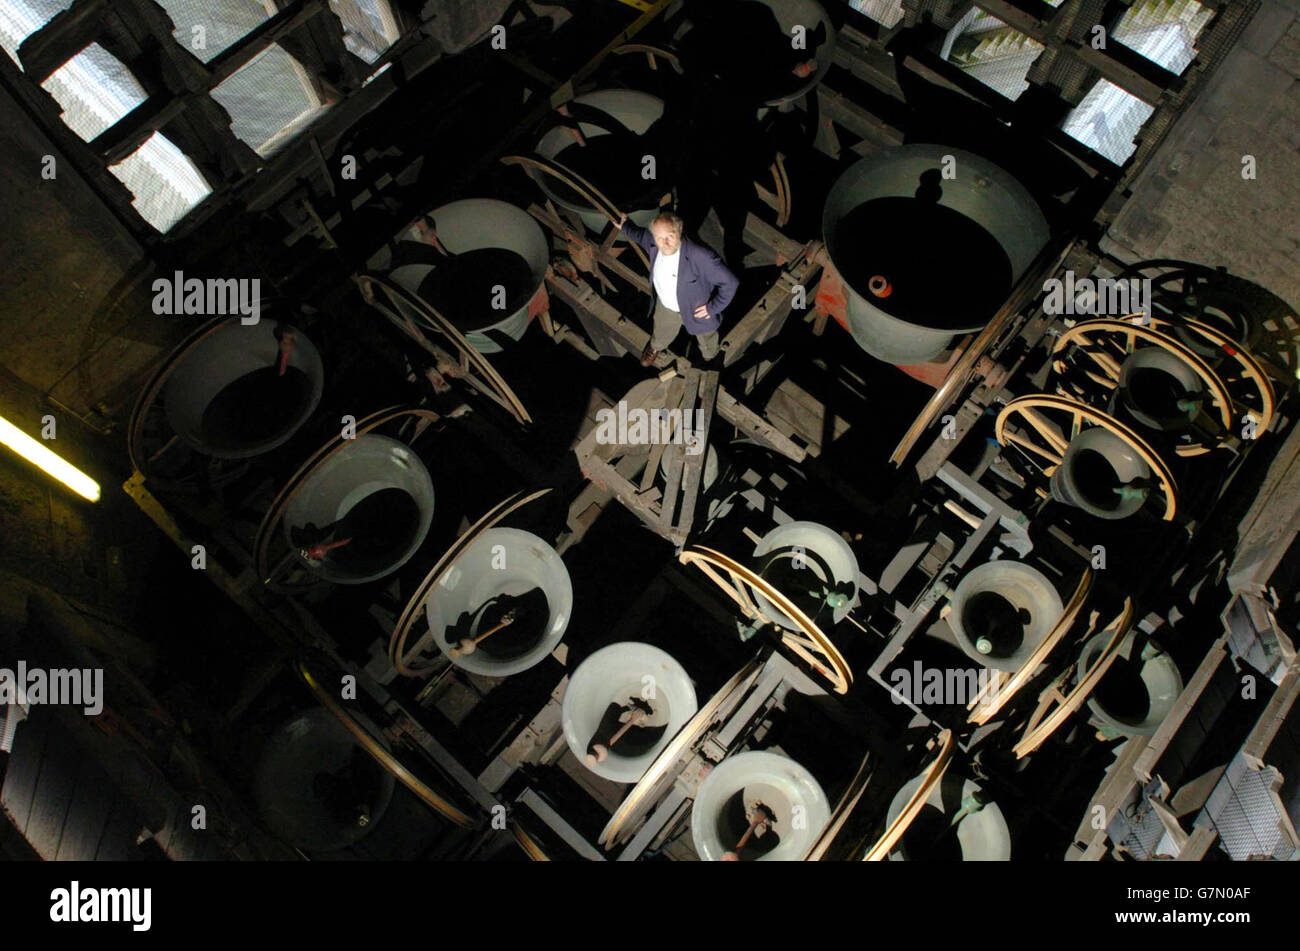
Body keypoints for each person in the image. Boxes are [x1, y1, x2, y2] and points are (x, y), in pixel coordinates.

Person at [618, 210, 739, 366]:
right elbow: (640, 236)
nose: (665, 244)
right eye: (660, 238)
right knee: (662, 329)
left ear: (679, 230)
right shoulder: (654, 242)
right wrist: (625, 226)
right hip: (667, 305)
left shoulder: (700, 256)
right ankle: (656, 347)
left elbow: (730, 283)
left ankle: (709, 354)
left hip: (697, 309)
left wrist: (712, 308)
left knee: (706, 335)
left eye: (670, 236)